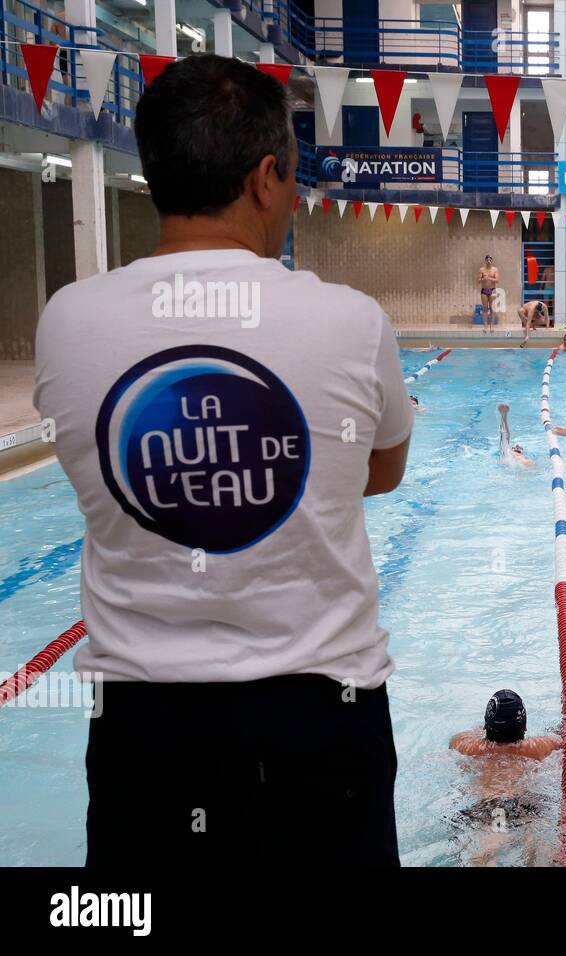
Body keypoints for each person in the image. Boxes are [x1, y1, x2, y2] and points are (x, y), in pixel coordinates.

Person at [33, 55, 412, 867]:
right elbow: (381, 473)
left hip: (143, 731)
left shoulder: (68, 320)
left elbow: (90, 476)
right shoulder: (351, 320)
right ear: (267, 176)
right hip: (323, 717)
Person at [450, 690, 563, 866]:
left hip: (489, 809)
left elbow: (455, 741)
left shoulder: (468, 747)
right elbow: (564, 738)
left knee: (485, 855)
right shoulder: (536, 747)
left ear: (487, 725)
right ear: (524, 727)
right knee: (536, 850)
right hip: (527, 806)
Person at [497, 403, 534, 469]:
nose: (517, 445)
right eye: (515, 447)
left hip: (516, 463)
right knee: (504, 442)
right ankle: (504, 416)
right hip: (513, 461)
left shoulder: (522, 457)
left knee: (504, 444)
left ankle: (504, 416)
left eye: (518, 447)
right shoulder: (511, 453)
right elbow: (506, 438)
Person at [477, 255, 500, 330]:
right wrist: (483, 278)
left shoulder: (495, 269)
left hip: (492, 290)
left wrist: (489, 278)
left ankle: (492, 325)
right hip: (484, 291)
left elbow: (497, 280)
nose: (488, 261)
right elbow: (478, 281)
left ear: (492, 261)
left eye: (490, 260)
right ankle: (485, 326)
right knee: (485, 308)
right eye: (487, 260)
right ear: (485, 261)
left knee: (492, 308)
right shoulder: (482, 270)